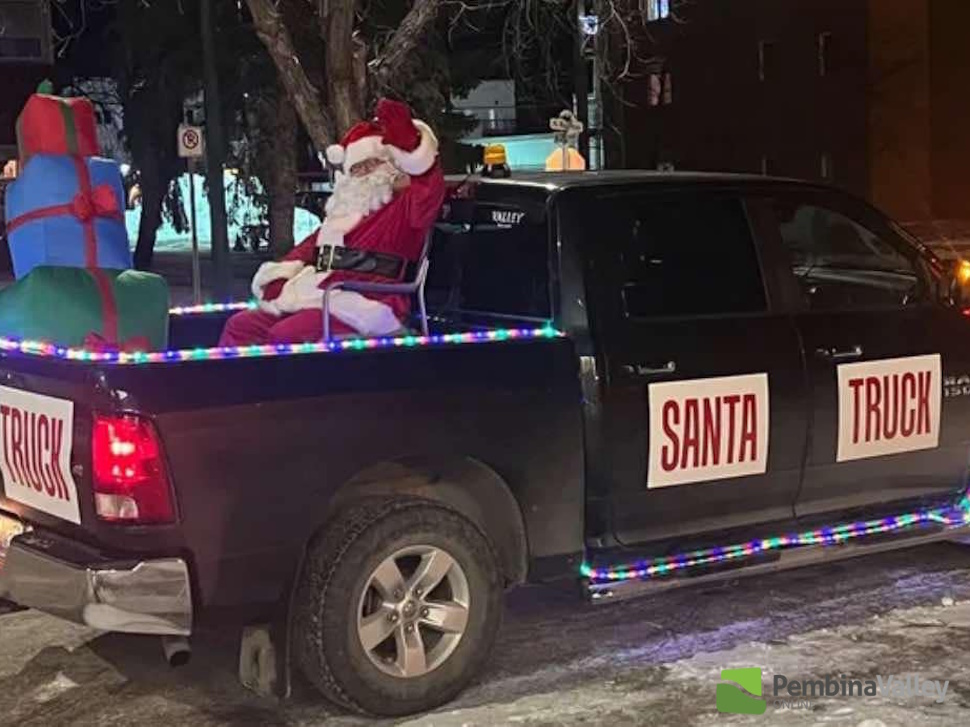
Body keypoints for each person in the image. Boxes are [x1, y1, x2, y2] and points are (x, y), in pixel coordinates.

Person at [219, 99, 445, 346]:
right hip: (318, 293)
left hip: (369, 300)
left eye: (373, 163)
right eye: (357, 168)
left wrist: (410, 144)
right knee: (240, 326)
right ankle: (232, 384)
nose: (365, 172)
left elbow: (428, 186)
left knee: (286, 335)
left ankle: (285, 385)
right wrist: (280, 274)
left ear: (391, 164)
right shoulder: (342, 213)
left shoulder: (403, 207)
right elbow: (308, 249)